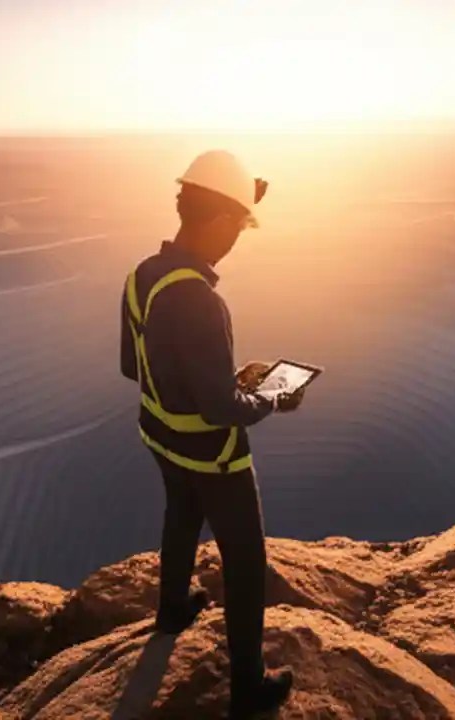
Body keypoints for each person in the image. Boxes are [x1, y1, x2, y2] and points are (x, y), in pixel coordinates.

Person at [119, 150, 302, 718]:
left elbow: (133, 366)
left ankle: (173, 608)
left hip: (160, 438)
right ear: (219, 221)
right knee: (245, 560)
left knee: (180, 515)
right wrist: (270, 395)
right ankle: (248, 687)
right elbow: (225, 410)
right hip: (214, 456)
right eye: (239, 226)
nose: (237, 240)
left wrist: (206, 380)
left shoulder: (142, 276)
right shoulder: (201, 300)